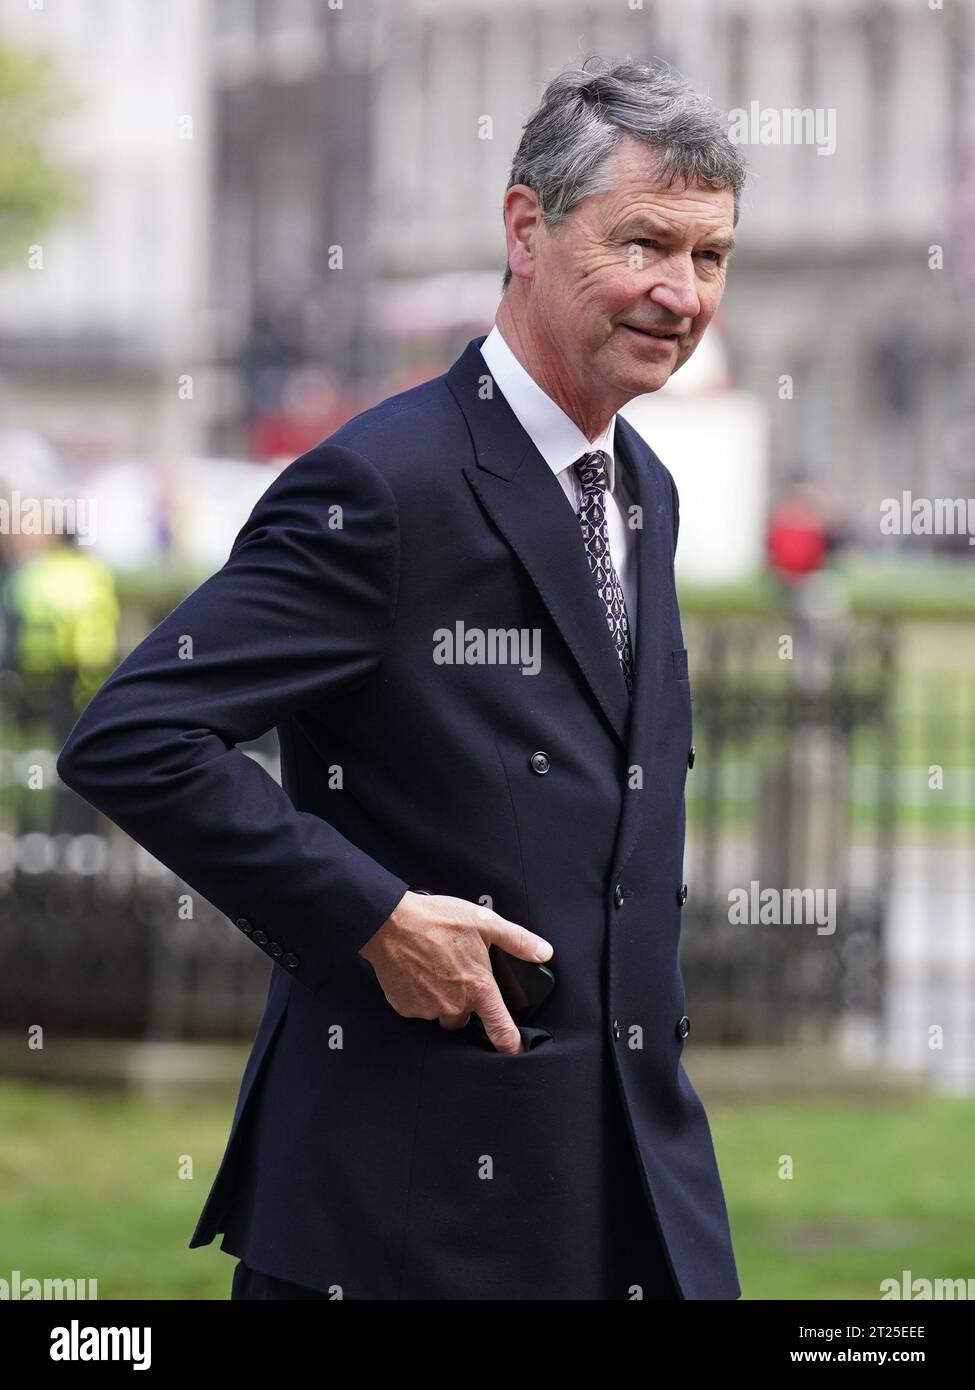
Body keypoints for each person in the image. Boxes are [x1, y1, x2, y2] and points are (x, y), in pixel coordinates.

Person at [56, 57, 747, 1300]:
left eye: (711, 257)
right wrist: (370, 916)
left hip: (630, 1202)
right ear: (526, 228)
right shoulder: (381, 485)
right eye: (645, 242)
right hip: (404, 1225)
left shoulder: (645, 487)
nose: (680, 293)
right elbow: (135, 735)